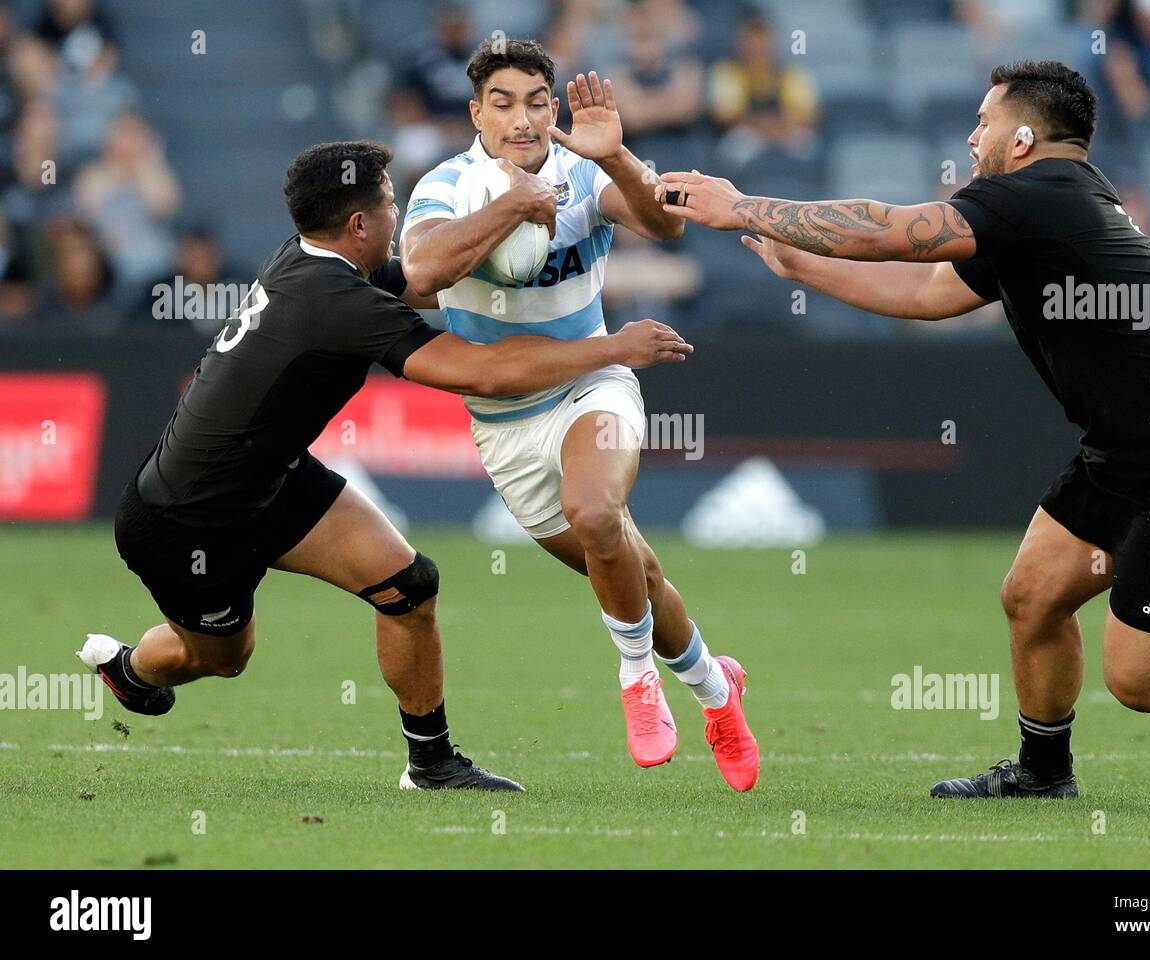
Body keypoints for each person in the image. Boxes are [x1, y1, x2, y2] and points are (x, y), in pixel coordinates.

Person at [658, 59, 1150, 799]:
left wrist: (741, 207)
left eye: (984, 122)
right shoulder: (1043, 204)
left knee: (1142, 681)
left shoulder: (1039, 195)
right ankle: (1042, 774)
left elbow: (892, 231)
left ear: (1023, 137)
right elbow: (929, 294)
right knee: (1032, 594)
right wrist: (805, 270)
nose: (971, 136)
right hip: (1128, 454)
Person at [80, 139, 692, 794]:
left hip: (270, 482)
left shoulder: (313, 259)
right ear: (360, 225)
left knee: (409, 586)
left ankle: (430, 763)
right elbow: (483, 374)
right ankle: (132, 673)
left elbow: (424, 275)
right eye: (392, 204)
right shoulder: (337, 303)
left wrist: (513, 220)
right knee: (222, 658)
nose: (398, 216)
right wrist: (611, 349)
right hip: (187, 520)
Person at [400, 38, 759, 791]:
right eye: (502, 103)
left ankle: (637, 679)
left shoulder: (581, 169)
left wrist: (619, 158)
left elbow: (665, 227)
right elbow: (423, 272)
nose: (522, 118)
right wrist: (511, 208)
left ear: (554, 106)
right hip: (505, 425)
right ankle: (718, 691)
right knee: (636, 569)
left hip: (593, 380)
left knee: (596, 514)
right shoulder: (444, 185)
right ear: (476, 113)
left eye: (537, 101)